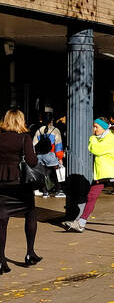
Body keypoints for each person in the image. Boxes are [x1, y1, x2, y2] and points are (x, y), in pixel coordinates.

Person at [63, 118, 114, 232]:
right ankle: (81, 223)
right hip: (103, 173)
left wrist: (92, 138)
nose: (94, 129)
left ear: (104, 127)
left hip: (113, 171)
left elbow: (95, 149)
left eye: (96, 127)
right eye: (94, 126)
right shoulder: (103, 137)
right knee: (92, 196)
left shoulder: (110, 137)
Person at [0, 109, 41, 269]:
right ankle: (30, 252)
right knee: (30, 213)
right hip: (20, 182)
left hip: (2, 182)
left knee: (2, 219)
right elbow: (31, 162)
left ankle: (1, 259)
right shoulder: (24, 138)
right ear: (21, 121)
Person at [32, 115, 64, 197]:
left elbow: (34, 144)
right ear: (52, 120)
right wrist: (60, 157)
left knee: (43, 173)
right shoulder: (55, 130)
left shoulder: (39, 130)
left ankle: (45, 192)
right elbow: (58, 145)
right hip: (51, 154)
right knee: (56, 172)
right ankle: (58, 191)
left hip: (39, 155)